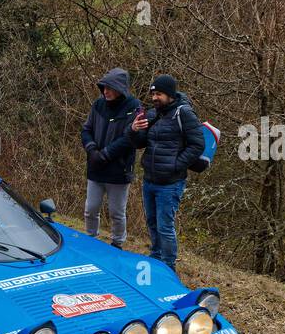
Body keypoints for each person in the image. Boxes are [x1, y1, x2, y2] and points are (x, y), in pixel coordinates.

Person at [130, 74, 204, 273]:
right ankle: (155, 257)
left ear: (170, 95)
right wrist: (133, 129)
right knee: (152, 222)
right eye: (153, 93)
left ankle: (168, 266)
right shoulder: (154, 114)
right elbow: (139, 143)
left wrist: (176, 165)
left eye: (159, 94)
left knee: (165, 226)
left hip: (170, 183)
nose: (155, 98)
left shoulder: (184, 114)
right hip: (150, 179)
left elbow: (198, 145)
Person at [80, 68, 142, 249]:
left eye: (109, 88)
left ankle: (117, 243)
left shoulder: (134, 107)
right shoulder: (98, 105)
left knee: (117, 212)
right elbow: (86, 129)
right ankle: (90, 239)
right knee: (91, 209)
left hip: (119, 170)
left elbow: (129, 138)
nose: (105, 91)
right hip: (95, 167)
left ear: (120, 88)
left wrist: (106, 154)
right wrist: (92, 150)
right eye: (103, 87)